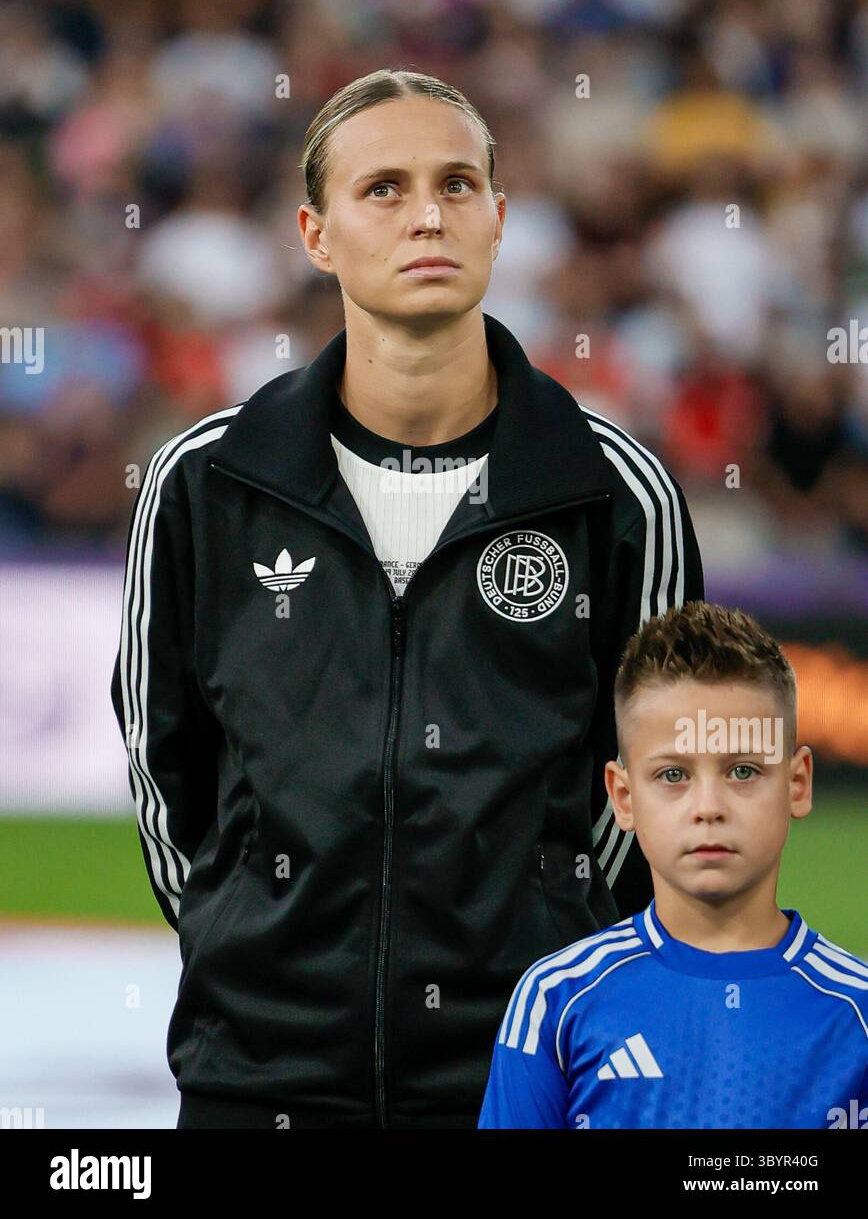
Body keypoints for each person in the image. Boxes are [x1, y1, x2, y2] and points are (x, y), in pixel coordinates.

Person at [110, 68, 704, 1129]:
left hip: (527, 1082)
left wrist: (549, 959)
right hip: (257, 1080)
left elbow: (656, 783)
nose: (427, 213)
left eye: (457, 185)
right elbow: (166, 765)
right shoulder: (204, 482)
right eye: (382, 188)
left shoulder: (616, 492)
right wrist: (244, 936)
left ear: (499, 218)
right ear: (315, 233)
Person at [478, 600, 867, 1129]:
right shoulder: (556, 1002)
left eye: (744, 770)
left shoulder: (858, 1013)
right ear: (623, 795)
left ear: (797, 783)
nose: (709, 806)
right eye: (673, 775)